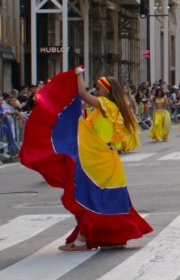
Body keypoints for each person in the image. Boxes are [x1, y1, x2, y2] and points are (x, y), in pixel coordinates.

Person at [20, 69, 152, 251]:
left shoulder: (105, 104)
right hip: (104, 158)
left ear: (107, 91)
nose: (95, 92)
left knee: (86, 197)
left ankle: (83, 241)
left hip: (98, 160)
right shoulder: (106, 107)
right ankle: (114, 237)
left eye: (98, 88)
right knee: (105, 199)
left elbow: (82, 94)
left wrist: (78, 74)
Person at [117, 84, 141, 152]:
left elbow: (135, 106)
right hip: (121, 116)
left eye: (126, 88)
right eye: (123, 88)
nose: (125, 89)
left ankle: (127, 145)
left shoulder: (131, 97)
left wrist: (136, 113)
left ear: (128, 89)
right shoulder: (119, 97)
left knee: (129, 131)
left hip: (130, 116)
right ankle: (121, 146)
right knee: (121, 131)